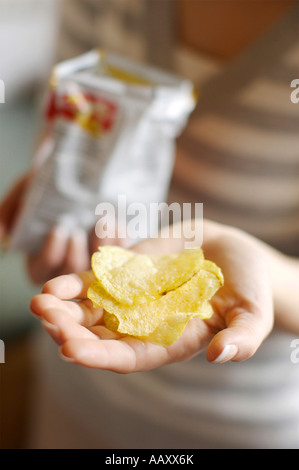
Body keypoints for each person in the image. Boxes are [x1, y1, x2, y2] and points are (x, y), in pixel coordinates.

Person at [1, 0, 299, 449]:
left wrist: (264, 274)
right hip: (79, 380)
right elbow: (61, 131)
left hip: (244, 424)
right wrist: (52, 225)